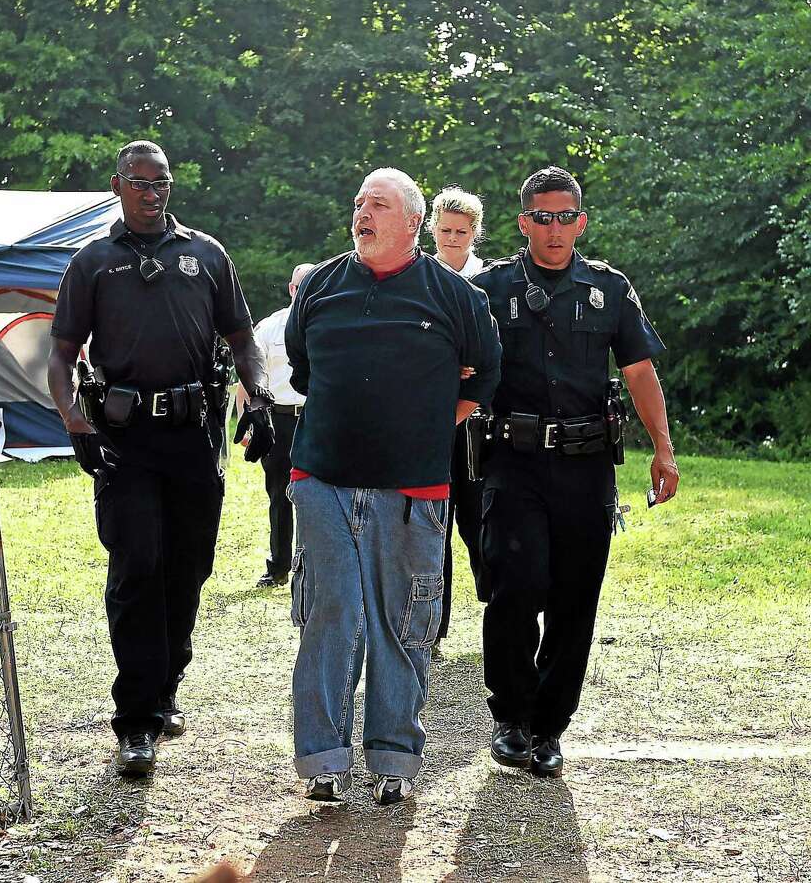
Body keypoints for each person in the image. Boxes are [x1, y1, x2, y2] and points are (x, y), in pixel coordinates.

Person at [47, 141, 276, 777]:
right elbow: (61, 354)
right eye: (140, 183)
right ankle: (136, 719)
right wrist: (74, 419)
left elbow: (243, 339)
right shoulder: (92, 263)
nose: (152, 193)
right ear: (117, 185)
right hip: (123, 440)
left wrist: (257, 397)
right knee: (137, 565)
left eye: (162, 183)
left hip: (194, 436)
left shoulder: (206, 254)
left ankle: (167, 681)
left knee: (188, 566)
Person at [284, 168, 501, 804]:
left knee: (401, 623)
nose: (362, 213)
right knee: (329, 616)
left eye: (377, 204)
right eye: (358, 203)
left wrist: (426, 427)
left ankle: (393, 761)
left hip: (413, 489)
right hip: (322, 478)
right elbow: (302, 368)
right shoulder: (321, 285)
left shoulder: (454, 296)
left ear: (412, 222)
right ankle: (323, 762)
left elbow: (486, 376)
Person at [470, 166, 679, 778]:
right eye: (543, 217)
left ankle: (548, 727)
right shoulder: (489, 289)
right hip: (513, 462)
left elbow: (639, 370)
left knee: (574, 599)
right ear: (524, 222)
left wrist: (663, 448)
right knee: (516, 588)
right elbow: (453, 362)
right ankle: (511, 717)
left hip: (586, 469)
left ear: (581, 222)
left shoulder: (609, 289)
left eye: (566, 217)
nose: (555, 228)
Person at [427, 188, 486, 645]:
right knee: (435, 524)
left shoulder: (490, 280)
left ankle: (498, 604)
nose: (452, 238)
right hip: (431, 417)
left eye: (461, 232)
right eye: (445, 230)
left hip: (481, 419)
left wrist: (473, 365)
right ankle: (435, 626)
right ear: (432, 229)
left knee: (482, 521)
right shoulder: (418, 276)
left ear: (474, 233)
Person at [238, 261, 315, 589]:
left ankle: (313, 567)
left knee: (318, 497)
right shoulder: (270, 327)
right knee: (279, 495)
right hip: (278, 420)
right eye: (300, 286)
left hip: (316, 419)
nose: (305, 292)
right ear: (291, 289)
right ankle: (279, 567)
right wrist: (248, 422)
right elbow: (249, 375)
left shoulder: (331, 324)